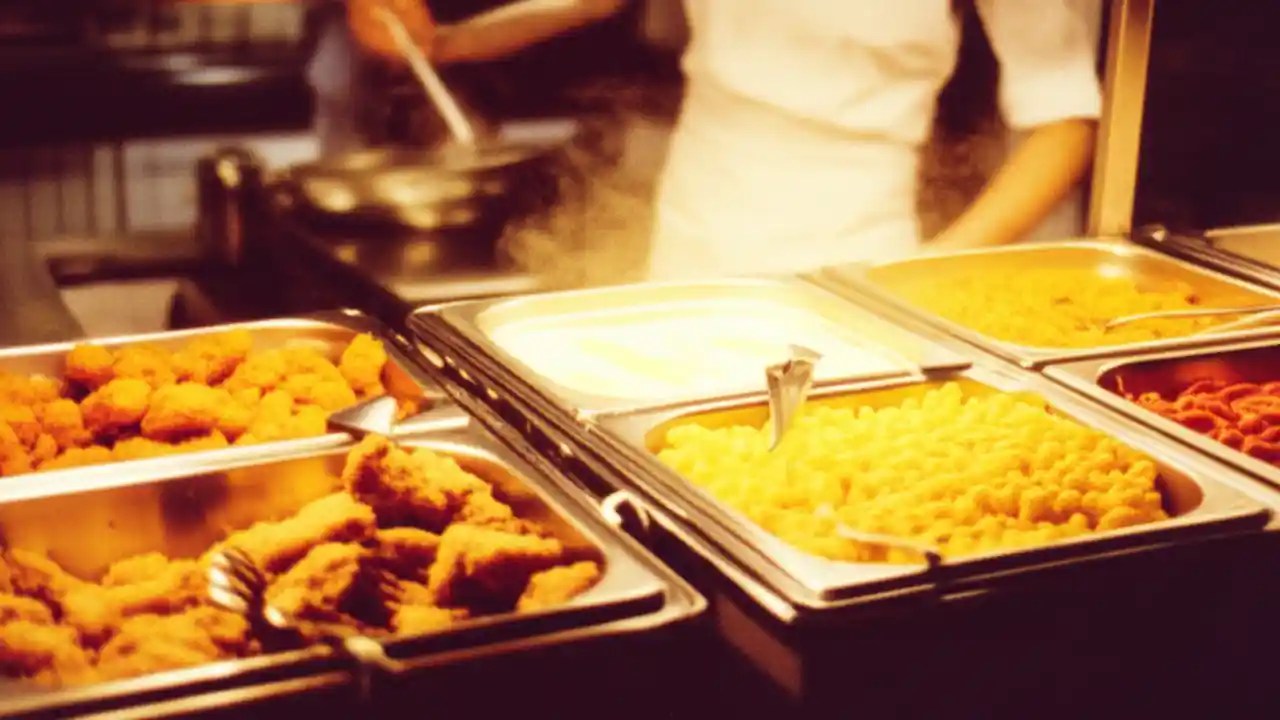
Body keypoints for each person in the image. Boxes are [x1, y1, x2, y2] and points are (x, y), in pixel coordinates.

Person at [344, 0, 1103, 280]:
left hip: (856, 238)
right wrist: (443, 44)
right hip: (699, 214)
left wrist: (930, 269)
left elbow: (1063, 120)